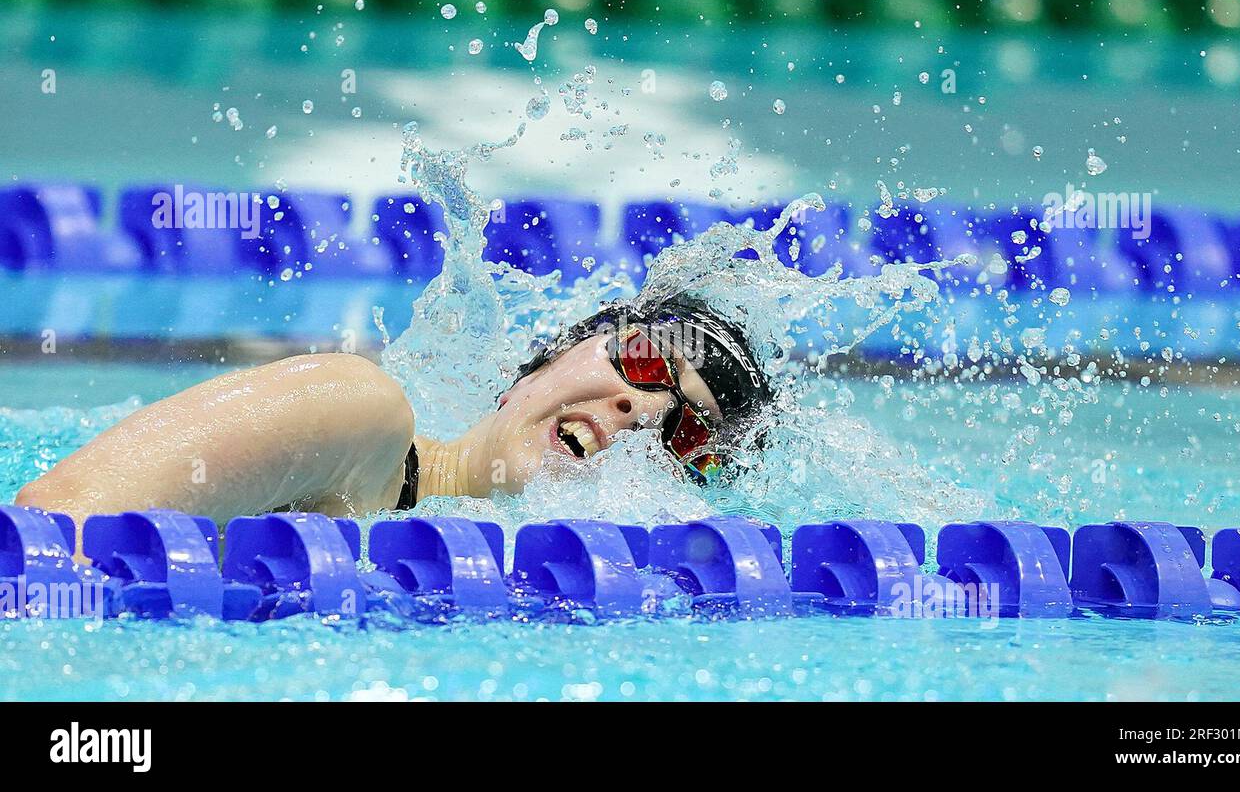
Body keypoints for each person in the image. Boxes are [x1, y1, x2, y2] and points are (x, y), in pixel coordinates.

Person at [14, 295, 773, 554]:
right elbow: (43, 543)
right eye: (642, 360)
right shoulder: (356, 416)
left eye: (689, 438)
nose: (643, 411)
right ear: (545, 360)